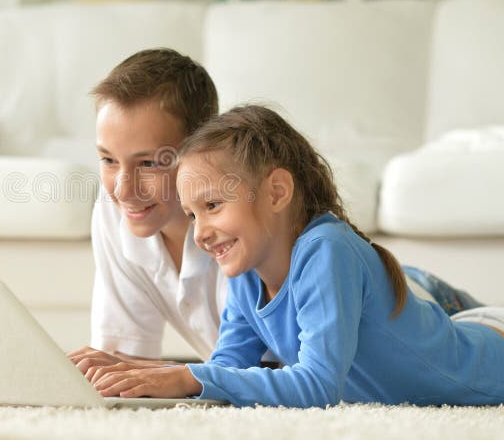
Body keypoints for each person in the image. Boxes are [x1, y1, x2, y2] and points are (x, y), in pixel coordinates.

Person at [68, 48, 486, 382]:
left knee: (449, 343)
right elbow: (144, 363)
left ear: (201, 147)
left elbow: (303, 375)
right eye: (107, 159)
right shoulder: (120, 216)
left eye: (150, 163)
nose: (123, 188)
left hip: (412, 300)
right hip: (354, 339)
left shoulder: (251, 235)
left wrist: (185, 376)